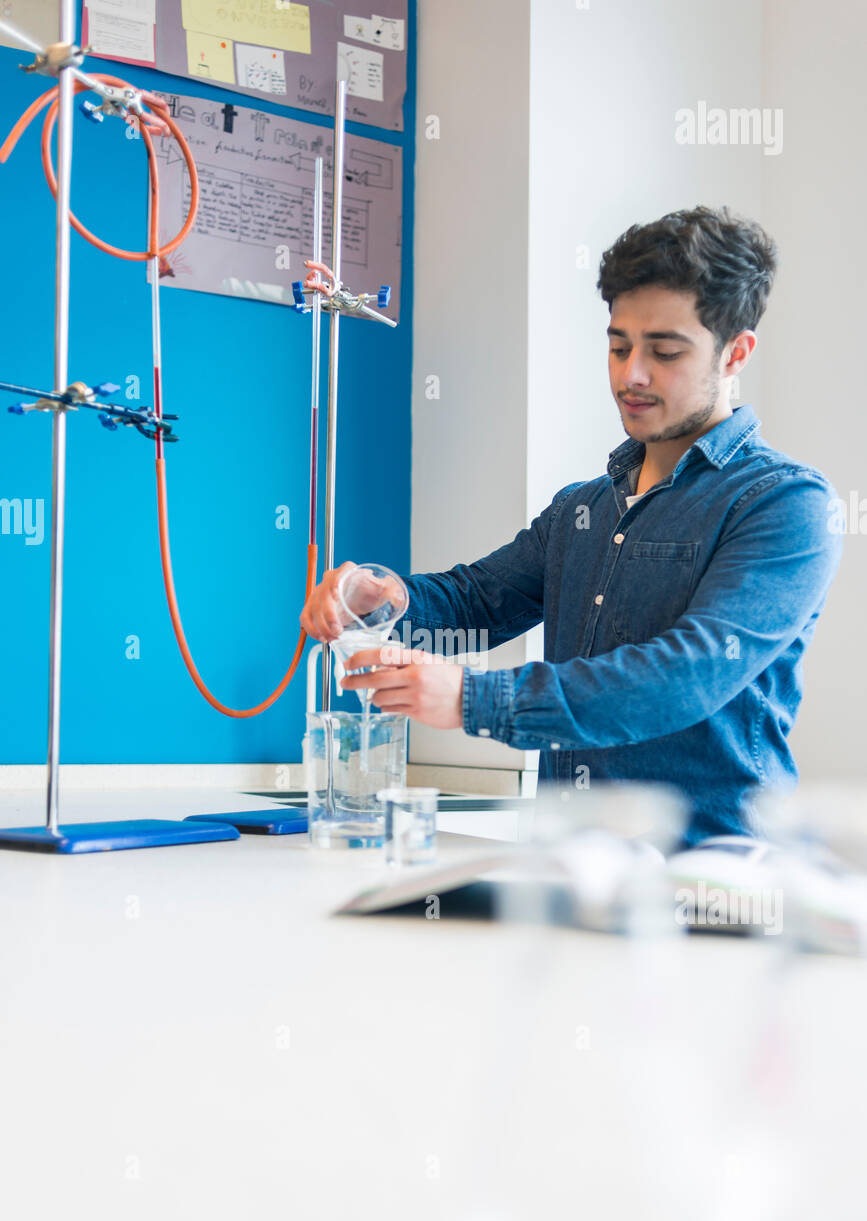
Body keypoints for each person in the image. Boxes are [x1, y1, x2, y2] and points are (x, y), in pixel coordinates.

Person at [300, 206, 842, 848]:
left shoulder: (784, 504)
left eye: (664, 352)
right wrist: (379, 598)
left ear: (736, 353)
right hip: (576, 866)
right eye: (618, 346)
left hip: (716, 877)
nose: (630, 374)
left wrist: (475, 700)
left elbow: (687, 675)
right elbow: (474, 602)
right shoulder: (582, 508)